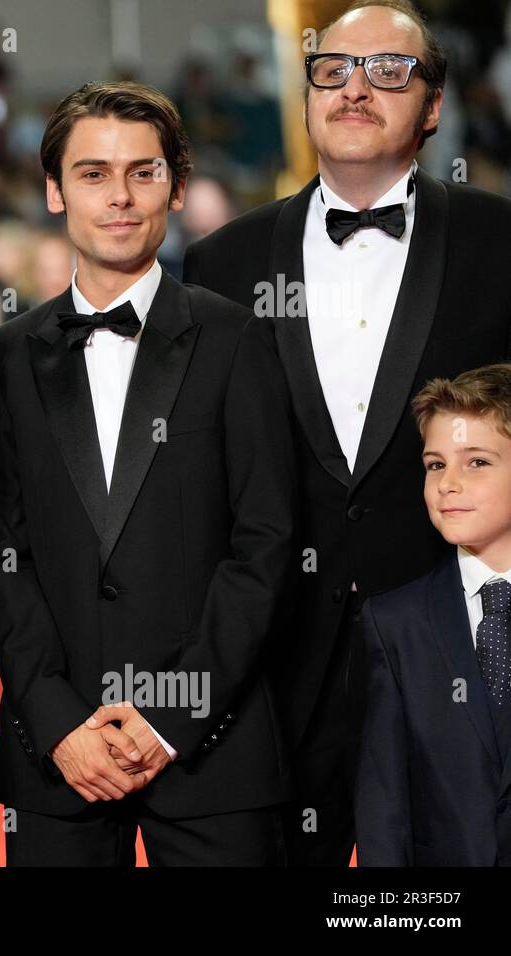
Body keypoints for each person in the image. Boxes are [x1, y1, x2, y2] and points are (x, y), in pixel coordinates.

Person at [183, 0, 511, 865]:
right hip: (279, 659)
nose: (354, 89)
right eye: (332, 70)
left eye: (387, 72)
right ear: (306, 96)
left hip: (464, 648)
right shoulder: (222, 263)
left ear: (432, 106)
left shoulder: (500, 241)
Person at [0, 81, 295, 865]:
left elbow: (265, 546)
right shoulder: (6, 356)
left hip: (214, 751)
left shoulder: (237, 339)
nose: (119, 197)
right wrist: (56, 721)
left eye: (143, 173)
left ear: (176, 188)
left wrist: (170, 719)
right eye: (92, 173)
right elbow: (2, 554)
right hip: (60, 757)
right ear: (54, 190)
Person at [357, 364, 511, 865]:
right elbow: (385, 803)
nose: (448, 484)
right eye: (434, 464)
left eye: (477, 463)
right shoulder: (395, 622)